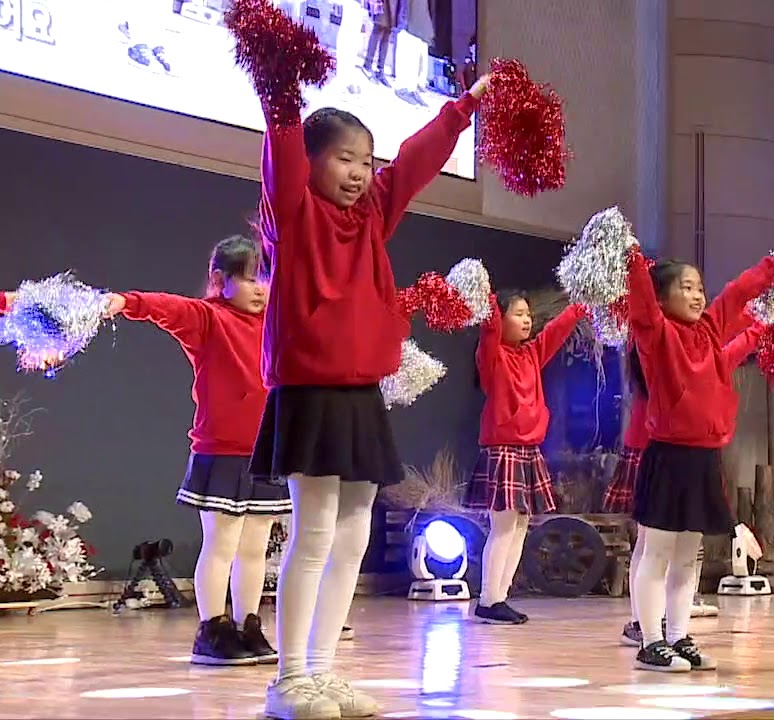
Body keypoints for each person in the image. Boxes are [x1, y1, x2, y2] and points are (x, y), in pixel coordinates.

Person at [238, 6, 490, 711]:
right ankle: (289, 680)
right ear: (310, 162)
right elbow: (281, 143)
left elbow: (412, 162)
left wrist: (464, 106)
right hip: (310, 392)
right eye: (343, 159)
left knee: (352, 532)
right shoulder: (292, 214)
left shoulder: (373, 214)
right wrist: (280, 89)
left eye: (364, 162)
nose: (358, 173)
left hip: (360, 394)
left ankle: (322, 669)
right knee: (314, 532)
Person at [103, 236, 286, 666]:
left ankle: (248, 624)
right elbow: (162, 307)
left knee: (256, 547)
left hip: (265, 453)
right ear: (219, 280)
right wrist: (122, 302)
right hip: (220, 451)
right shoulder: (207, 318)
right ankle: (213, 628)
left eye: (266, 278)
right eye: (249, 279)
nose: (260, 288)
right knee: (222, 542)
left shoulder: (274, 323)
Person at [624, 243, 774, 672]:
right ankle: (650, 641)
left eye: (699, 287)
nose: (697, 294)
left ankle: (679, 636)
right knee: (658, 553)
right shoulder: (655, 333)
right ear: (663, 298)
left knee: (690, 555)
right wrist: (632, 260)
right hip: (669, 457)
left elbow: (739, 293)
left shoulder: (709, 330)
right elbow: (641, 301)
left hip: (705, 458)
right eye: (686, 288)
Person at [611, 318, 766, 647]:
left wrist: (761, 321)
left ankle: (670, 623)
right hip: (657, 455)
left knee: (679, 548)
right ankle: (645, 625)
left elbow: (732, 350)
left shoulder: (693, 361)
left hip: (689, 456)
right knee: (650, 545)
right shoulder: (657, 356)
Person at [463, 291, 586, 624]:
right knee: (503, 526)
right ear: (500, 319)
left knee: (518, 527)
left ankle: (500, 597)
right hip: (503, 449)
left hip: (528, 449)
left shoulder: (532, 353)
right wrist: (485, 293)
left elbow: (557, 331)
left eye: (528, 313)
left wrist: (582, 304)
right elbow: (488, 329)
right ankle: (488, 600)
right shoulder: (491, 355)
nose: (527, 319)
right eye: (517, 313)